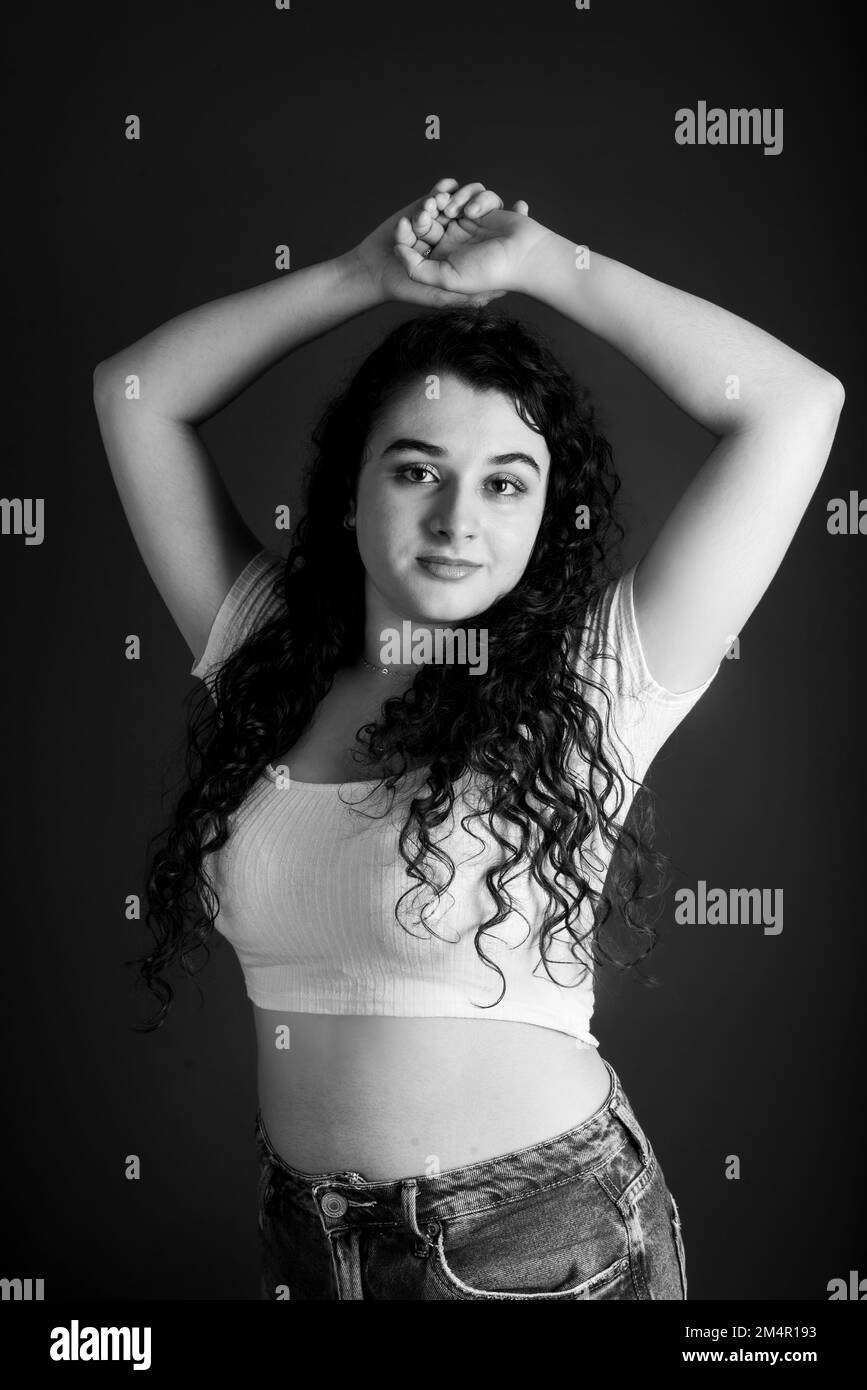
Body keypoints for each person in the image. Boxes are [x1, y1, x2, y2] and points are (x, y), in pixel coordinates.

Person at [93, 177, 844, 1300]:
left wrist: (544, 262)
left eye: (507, 482)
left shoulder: (590, 685)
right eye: (416, 470)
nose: (458, 521)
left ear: (548, 510)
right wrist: (361, 276)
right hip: (310, 1244)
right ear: (352, 493)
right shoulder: (263, 652)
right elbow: (134, 392)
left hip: (542, 1245)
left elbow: (796, 403)